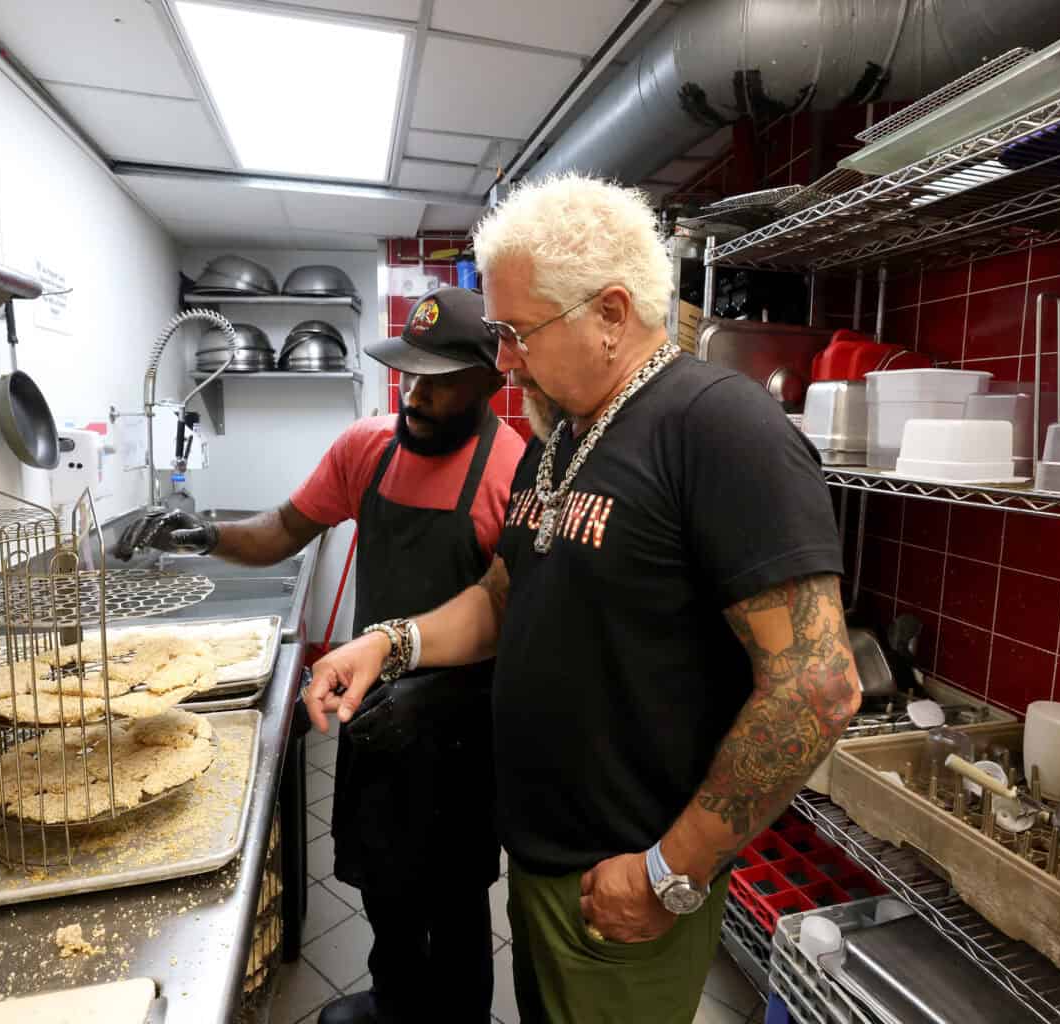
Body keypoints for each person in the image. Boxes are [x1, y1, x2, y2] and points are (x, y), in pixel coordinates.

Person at [304, 175, 861, 1024]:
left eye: (518, 333)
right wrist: (391, 642)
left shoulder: (721, 429)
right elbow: (504, 593)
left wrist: (672, 871)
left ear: (609, 313)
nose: (504, 360)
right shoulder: (560, 437)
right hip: (538, 852)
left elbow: (817, 685)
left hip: (628, 875)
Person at [116, 287, 526, 1024]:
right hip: (374, 711)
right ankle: (394, 1002)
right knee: (383, 888)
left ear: (487, 384)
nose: (418, 394)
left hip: (463, 733)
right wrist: (203, 536)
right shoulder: (366, 448)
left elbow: (513, 616)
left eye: (440, 379)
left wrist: (440, 691)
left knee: (456, 905)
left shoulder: (513, 471)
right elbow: (280, 530)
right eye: (410, 374)